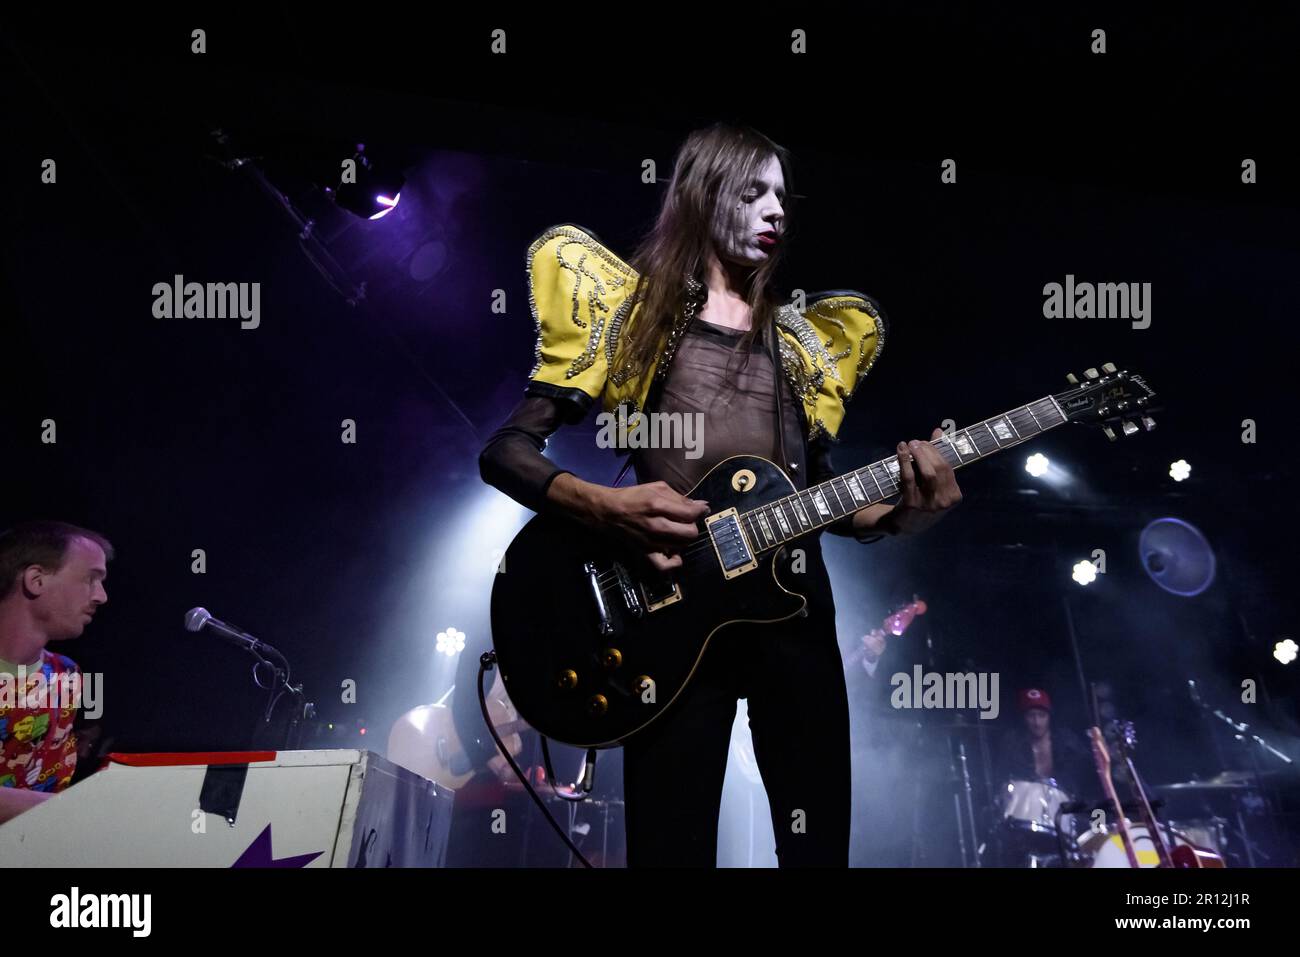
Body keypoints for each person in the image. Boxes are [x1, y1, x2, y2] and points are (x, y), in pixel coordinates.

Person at [479, 123, 961, 866]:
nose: (777, 211)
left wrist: (904, 514)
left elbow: (824, 492)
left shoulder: (799, 344)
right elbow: (506, 451)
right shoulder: (629, 318)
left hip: (794, 620)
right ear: (704, 197)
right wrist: (603, 505)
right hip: (666, 624)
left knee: (818, 853)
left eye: (782, 195)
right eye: (753, 192)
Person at [0, 521, 110, 823]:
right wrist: (72, 810)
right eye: (91, 579)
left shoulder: (65, 675)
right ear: (36, 580)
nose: (101, 596)